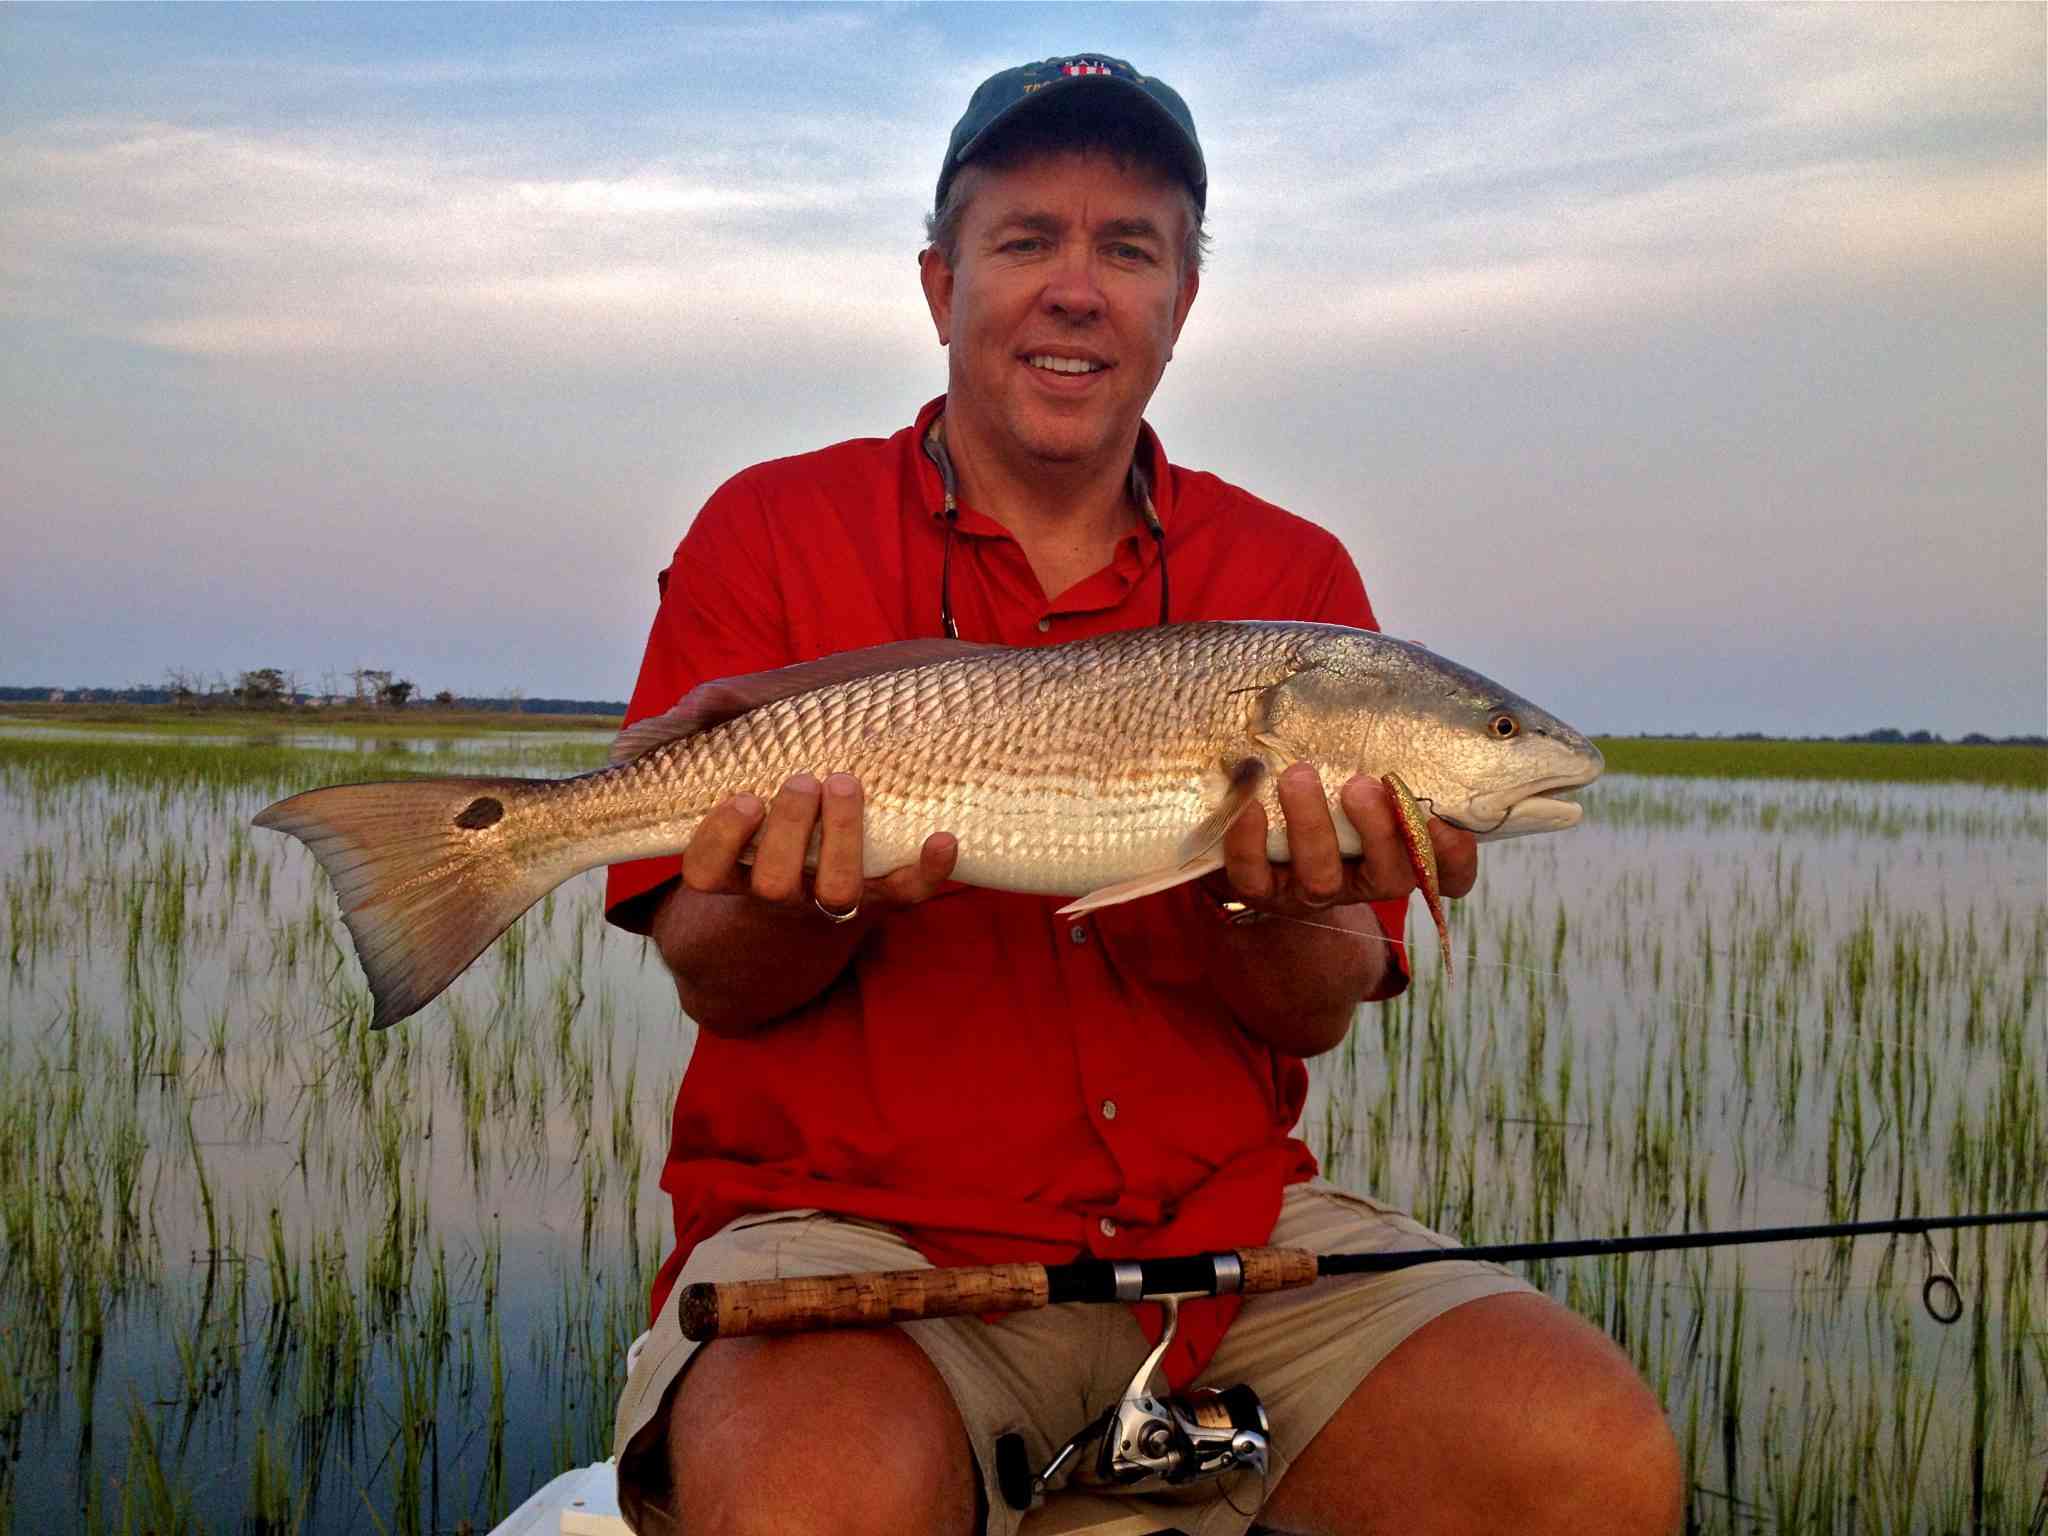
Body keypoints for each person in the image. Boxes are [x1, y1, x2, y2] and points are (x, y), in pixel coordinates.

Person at [604, 53, 1680, 1536]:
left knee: (1588, 1457)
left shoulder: (1293, 588)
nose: (1076, 287)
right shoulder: (770, 531)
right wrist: (815, 899)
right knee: (814, 1509)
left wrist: (1266, 894)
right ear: (940, 282)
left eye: (1130, 249)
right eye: (1026, 238)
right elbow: (712, 973)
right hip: (849, 1245)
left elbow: (1312, 1005)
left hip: (1227, 1241)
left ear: (1181, 301)